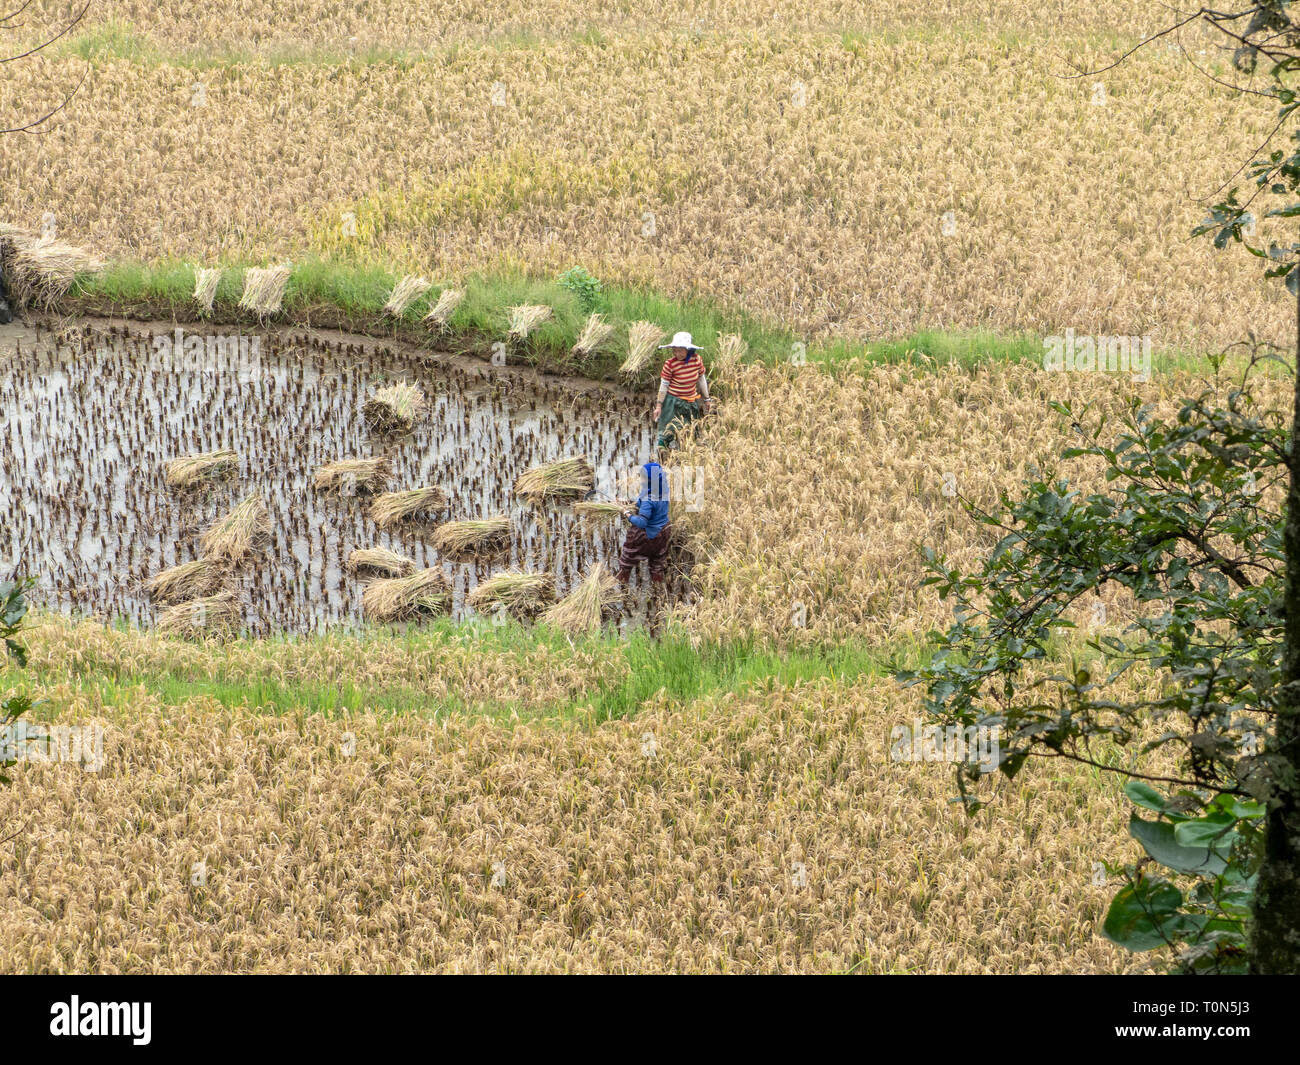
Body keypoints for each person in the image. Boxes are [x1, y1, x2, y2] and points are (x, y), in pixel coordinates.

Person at [653, 331, 711, 452]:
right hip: (673, 402)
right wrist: (659, 406)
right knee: (667, 432)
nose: (676, 353)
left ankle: (686, 455)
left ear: (688, 349)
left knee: (690, 431)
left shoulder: (696, 360)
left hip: (690, 402)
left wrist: (706, 399)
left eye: (680, 350)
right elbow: (663, 386)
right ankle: (661, 454)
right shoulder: (670, 364)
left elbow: (701, 379)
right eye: (675, 350)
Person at [617, 460, 671, 585]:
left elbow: (641, 522)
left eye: (643, 478)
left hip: (646, 534)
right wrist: (629, 502)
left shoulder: (648, 499)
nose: (641, 480)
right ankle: (658, 591)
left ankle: (620, 588)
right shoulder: (663, 490)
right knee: (657, 561)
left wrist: (627, 513)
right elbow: (652, 507)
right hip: (664, 531)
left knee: (627, 559)